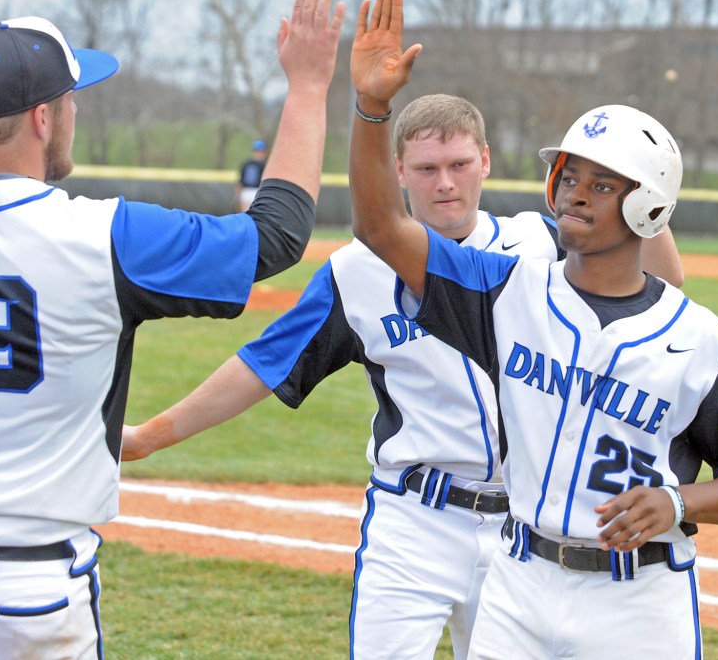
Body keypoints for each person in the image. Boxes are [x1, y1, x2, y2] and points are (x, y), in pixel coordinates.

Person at [122, 93, 683, 658]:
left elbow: (662, 288)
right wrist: (148, 437)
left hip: (523, 527)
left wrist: (636, 174)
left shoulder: (542, 243)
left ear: (486, 161)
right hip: (415, 521)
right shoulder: (356, 271)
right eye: (426, 169)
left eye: (459, 164)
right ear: (398, 171)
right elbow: (265, 364)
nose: (445, 183)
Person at [0, 0, 344, 659]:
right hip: (27, 595)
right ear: (44, 118)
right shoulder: (104, 236)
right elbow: (273, 237)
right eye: (71, 100)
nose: (74, 112)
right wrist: (307, 86)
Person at [345, 0, 718, 659]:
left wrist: (679, 504)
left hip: (638, 603)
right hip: (517, 586)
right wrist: (373, 108)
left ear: (647, 208)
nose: (577, 193)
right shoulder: (507, 293)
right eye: (570, 177)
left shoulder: (697, 340)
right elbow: (381, 228)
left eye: (602, 184)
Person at [236, 138, 269, 212]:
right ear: (265, 151)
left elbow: (240, 183)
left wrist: (237, 197)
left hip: (245, 193)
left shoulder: (246, 163)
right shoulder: (265, 164)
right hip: (258, 192)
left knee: (245, 215)